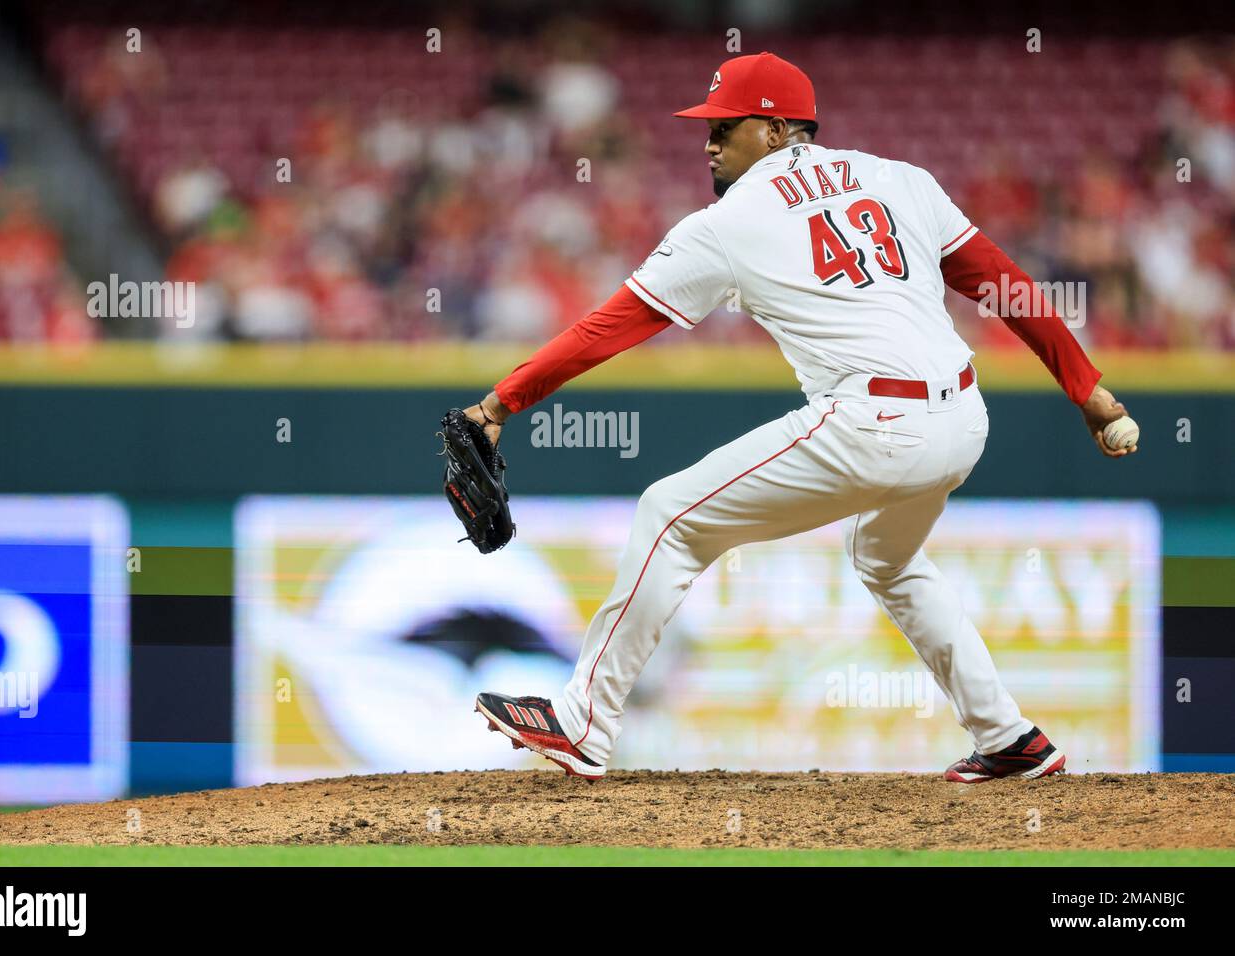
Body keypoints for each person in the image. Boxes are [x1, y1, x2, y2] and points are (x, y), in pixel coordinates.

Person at [469, 52, 1136, 783]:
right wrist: (1089, 391)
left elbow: (608, 328)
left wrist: (502, 402)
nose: (709, 142)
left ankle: (582, 725)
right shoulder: (901, 179)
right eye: (708, 128)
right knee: (888, 558)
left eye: (726, 126)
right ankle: (1009, 737)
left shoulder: (727, 222)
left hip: (873, 425)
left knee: (670, 513)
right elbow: (1006, 286)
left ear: (779, 128)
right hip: (963, 419)